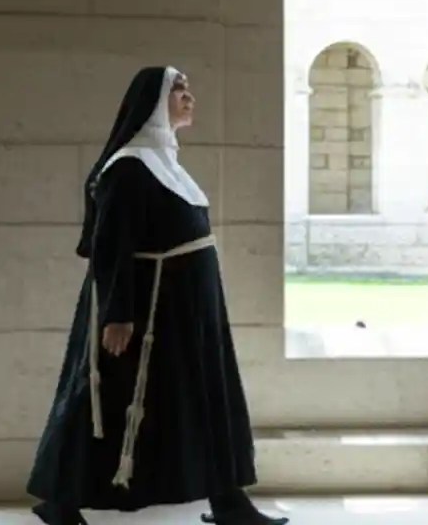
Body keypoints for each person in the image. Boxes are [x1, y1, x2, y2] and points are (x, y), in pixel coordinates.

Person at [27, 67, 288, 525]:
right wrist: (118, 314)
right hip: (145, 313)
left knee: (207, 397)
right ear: (153, 102)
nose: (190, 98)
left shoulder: (165, 162)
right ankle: (59, 500)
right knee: (104, 401)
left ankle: (229, 502)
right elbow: (111, 246)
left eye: (189, 90)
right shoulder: (129, 167)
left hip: (186, 310)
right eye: (179, 91)